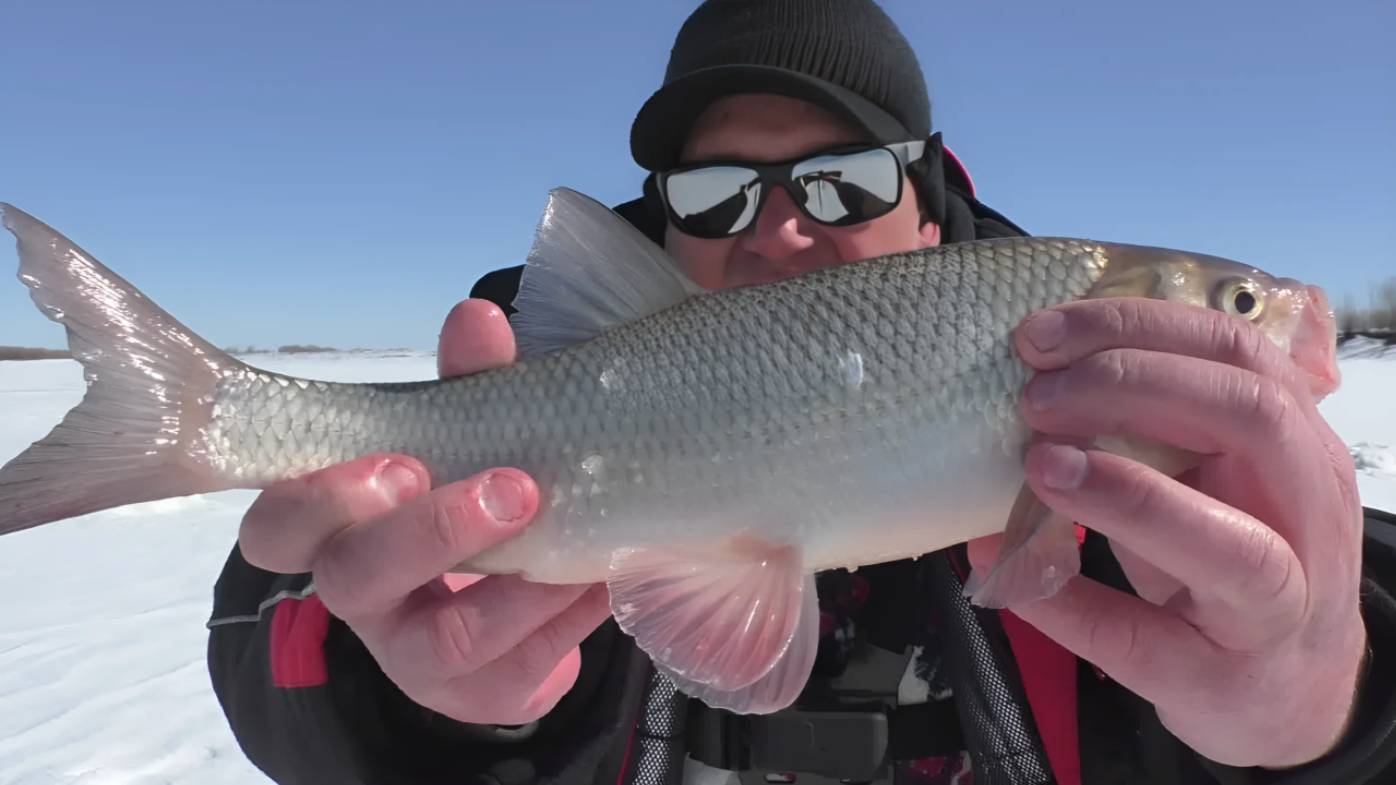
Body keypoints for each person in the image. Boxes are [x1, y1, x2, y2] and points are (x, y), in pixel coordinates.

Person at [205, 2, 1396, 783]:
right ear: (657, 222)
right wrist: (431, 698)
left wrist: (1334, 708)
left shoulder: (1082, 395)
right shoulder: (521, 376)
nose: (776, 228)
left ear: (928, 207)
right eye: (713, 192)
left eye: (840, 179)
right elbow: (272, 647)